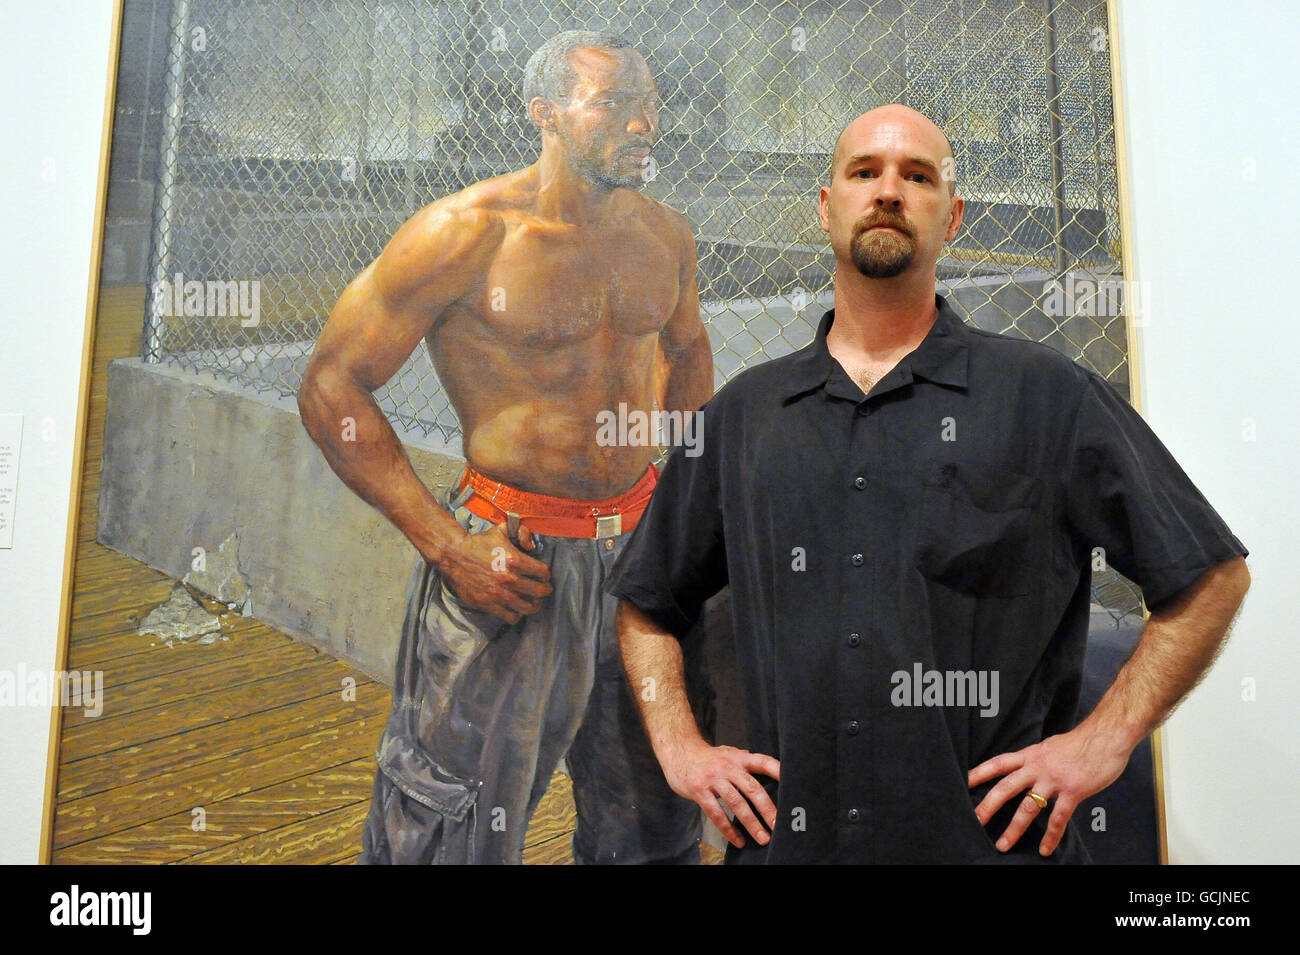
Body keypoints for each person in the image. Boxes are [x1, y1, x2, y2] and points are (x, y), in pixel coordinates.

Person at [606, 104, 1251, 864]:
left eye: (918, 176)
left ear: (952, 216)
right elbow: (645, 600)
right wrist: (681, 747)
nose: (889, 191)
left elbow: (1211, 576)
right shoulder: (745, 416)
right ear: (825, 207)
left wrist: (1102, 743)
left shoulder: (1046, 396)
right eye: (864, 172)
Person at [297, 30, 714, 864]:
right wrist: (449, 547)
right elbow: (330, 387)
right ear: (545, 113)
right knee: (448, 830)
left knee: (654, 819)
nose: (644, 125)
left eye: (651, 105)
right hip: (512, 562)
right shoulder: (462, 235)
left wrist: (680, 490)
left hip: (638, 558)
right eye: (616, 104)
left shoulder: (664, 233)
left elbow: (688, 347)